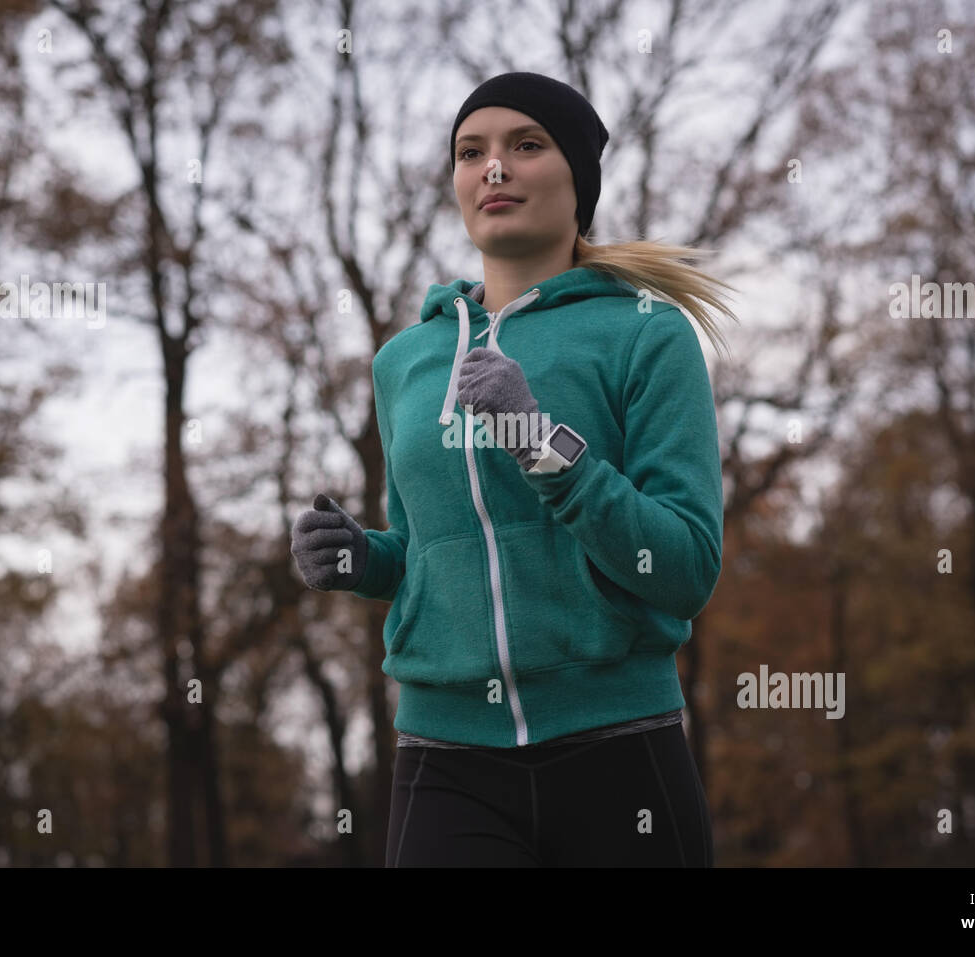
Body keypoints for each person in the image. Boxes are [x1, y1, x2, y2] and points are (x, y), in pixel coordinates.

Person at [291, 71, 738, 867]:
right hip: (445, 758)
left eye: (525, 146)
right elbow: (430, 552)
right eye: (471, 152)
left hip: (619, 749)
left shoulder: (644, 334)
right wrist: (366, 559)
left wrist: (539, 440)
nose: (493, 168)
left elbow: (684, 566)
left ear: (579, 183)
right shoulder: (405, 362)